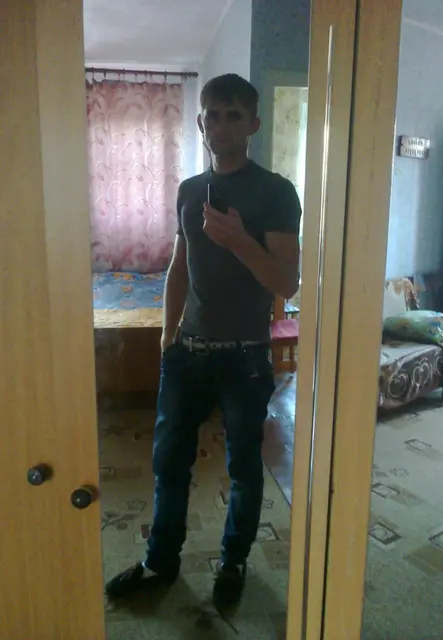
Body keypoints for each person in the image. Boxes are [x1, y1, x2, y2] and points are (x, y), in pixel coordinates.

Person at [105, 73, 302, 608]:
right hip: (186, 353)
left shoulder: (276, 192)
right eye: (212, 114)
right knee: (168, 464)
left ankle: (233, 562)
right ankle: (159, 562)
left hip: (245, 360)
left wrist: (239, 241)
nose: (221, 125)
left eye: (233, 115)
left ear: (253, 124)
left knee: (244, 469)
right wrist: (167, 335)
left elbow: (287, 283)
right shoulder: (190, 190)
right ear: (200, 122)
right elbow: (179, 266)